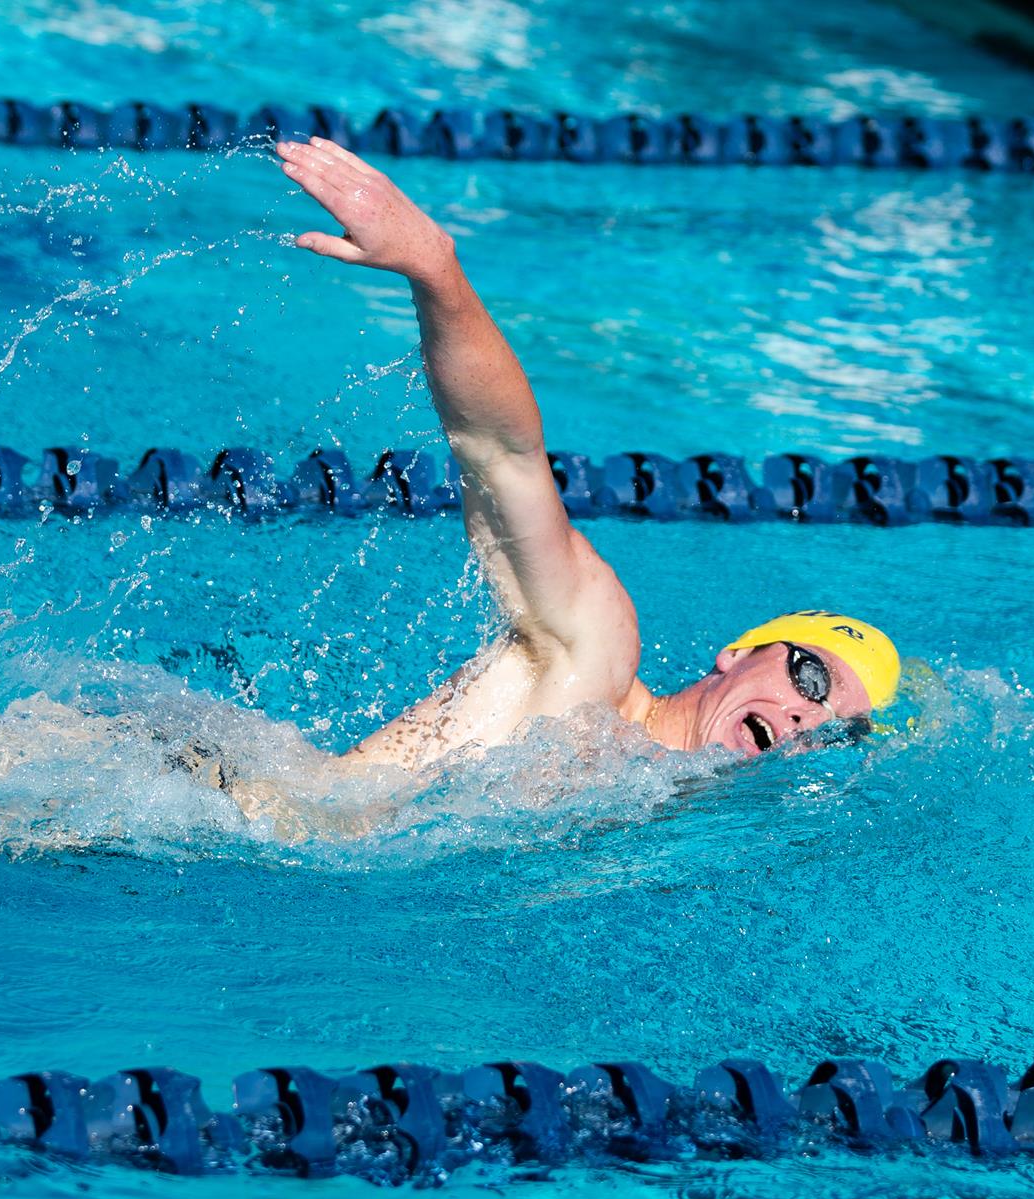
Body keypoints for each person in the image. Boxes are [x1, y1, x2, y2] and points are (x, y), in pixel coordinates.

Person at [273, 136, 899, 772]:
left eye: (835, 728)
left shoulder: (667, 808)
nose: (806, 716)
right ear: (737, 654)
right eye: (811, 678)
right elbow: (503, 453)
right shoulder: (594, 663)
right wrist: (435, 269)